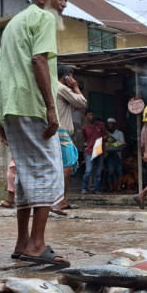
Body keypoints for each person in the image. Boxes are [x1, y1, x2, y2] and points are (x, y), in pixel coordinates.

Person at [0, 0, 70, 266]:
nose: (63, 5)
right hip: (32, 105)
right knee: (48, 171)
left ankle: (22, 242)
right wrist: (51, 108)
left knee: (25, 174)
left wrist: (0, 114)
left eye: (65, 0)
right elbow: (39, 60)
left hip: (12, 107)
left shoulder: (14, 24)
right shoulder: (43, 18)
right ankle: (37, 245)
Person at [55, 64, 85, 210]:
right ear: (66, 77)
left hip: (55, 132)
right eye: (71, 77)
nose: (73, 79)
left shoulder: (52, 87)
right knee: (66, 168)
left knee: (60, 167)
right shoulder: (62, 88)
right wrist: (75, 86)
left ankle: (60, 200)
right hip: (61, 132)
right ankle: (60, 201)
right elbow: (82, 102)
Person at [81, 111, 105, 195]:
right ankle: (84, 188)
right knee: (88, 170)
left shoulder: (100, 125)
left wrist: (101, 140)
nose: (91, 116)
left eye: (92, 115)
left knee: (98, 172)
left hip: (99, 150)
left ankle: (96, 189)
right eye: (89, 115)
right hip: (90, 151)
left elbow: (105, 135)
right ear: (86, 117)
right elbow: (85, 139)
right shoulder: (85, 128)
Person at [104, 118, 125, 193]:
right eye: (109, 124)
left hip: (118, 155)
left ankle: (119, 187)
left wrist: (111, 143)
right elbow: (105, 144)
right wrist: (114, 144)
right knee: (110, 172)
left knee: (119, 172)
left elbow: (122, 144)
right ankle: (111, 188)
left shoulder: (120, 133)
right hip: (109, 155)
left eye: (112, 124)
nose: (110, 125)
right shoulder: (106, 134)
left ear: (114, 125)